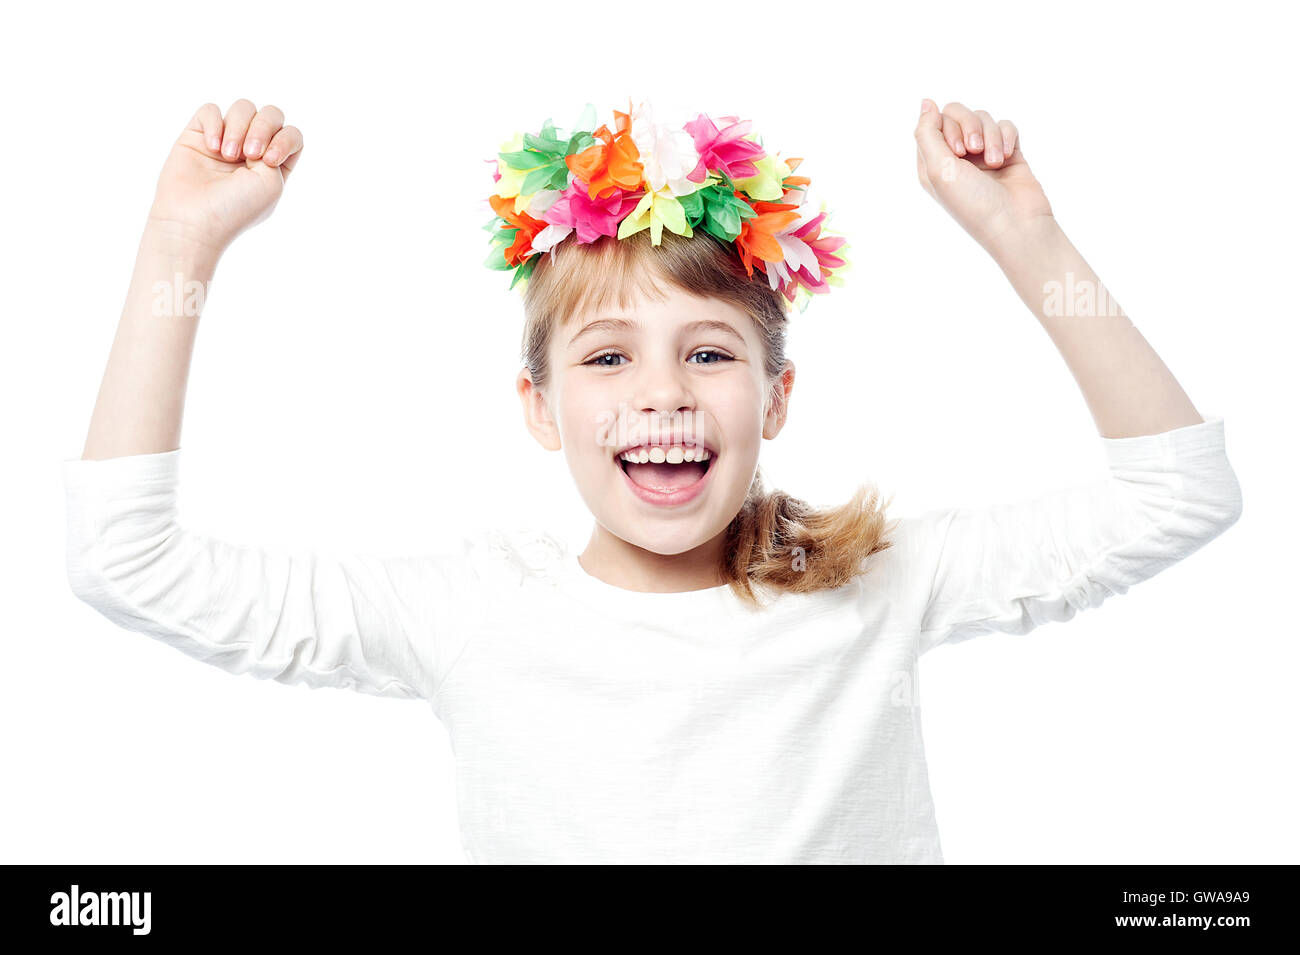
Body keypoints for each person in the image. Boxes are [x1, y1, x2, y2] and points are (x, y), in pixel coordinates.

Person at [63, 97, 1243, 864]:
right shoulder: (470, 612)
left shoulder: (872, 584)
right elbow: (125, 563)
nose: (664, 393)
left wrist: (1025, 239)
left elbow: (1178, 496)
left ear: (776, 398)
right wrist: (181, 251)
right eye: (609, 356)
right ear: (540, 408)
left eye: (711, 353)